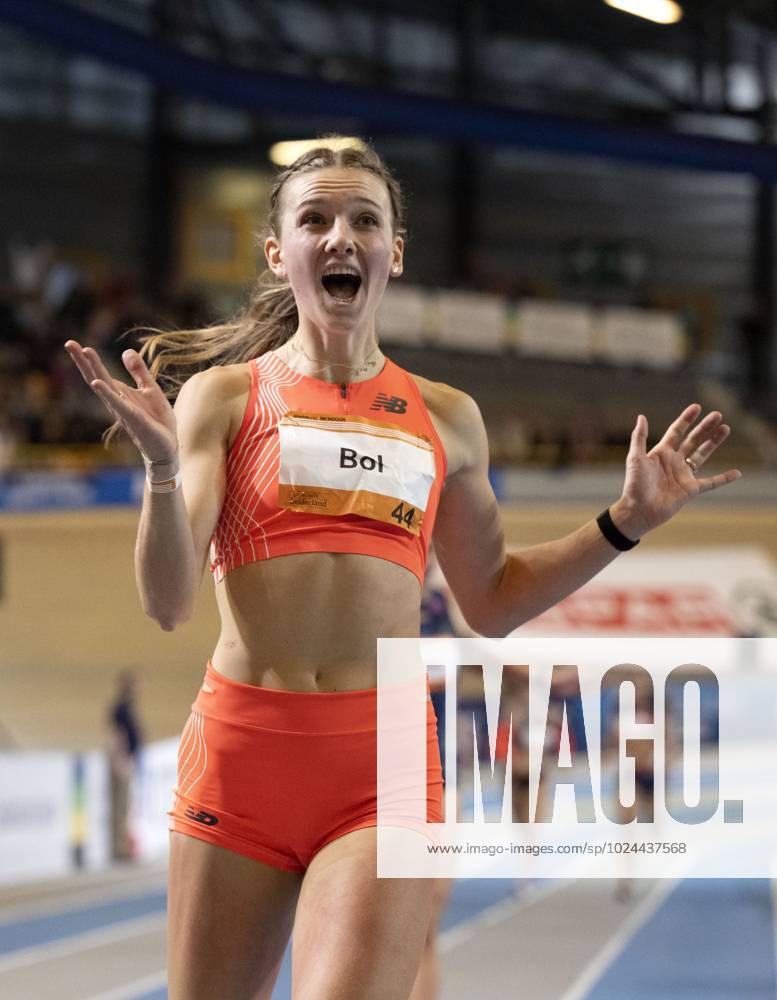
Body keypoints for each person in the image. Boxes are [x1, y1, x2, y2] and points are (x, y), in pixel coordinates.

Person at [65, 137, 740, 999]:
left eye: (363, 219)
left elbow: (491, 602)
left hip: (379, 767)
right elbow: (166, 601)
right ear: (279, 253)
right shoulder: (225, 399)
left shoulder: (449, 419)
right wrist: (161, 470)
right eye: (314, 219)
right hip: (241, 755)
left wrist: (621, 524)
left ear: (395, 251)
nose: (340, 235)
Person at [107, 668, 143, 862]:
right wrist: (120, 759)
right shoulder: (121, 708)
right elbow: (117, 734)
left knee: (126, 805)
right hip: (123, 759)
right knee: (121, 804)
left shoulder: (128, 706)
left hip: (128, 758)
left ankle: (123, 845)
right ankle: (120, 848)